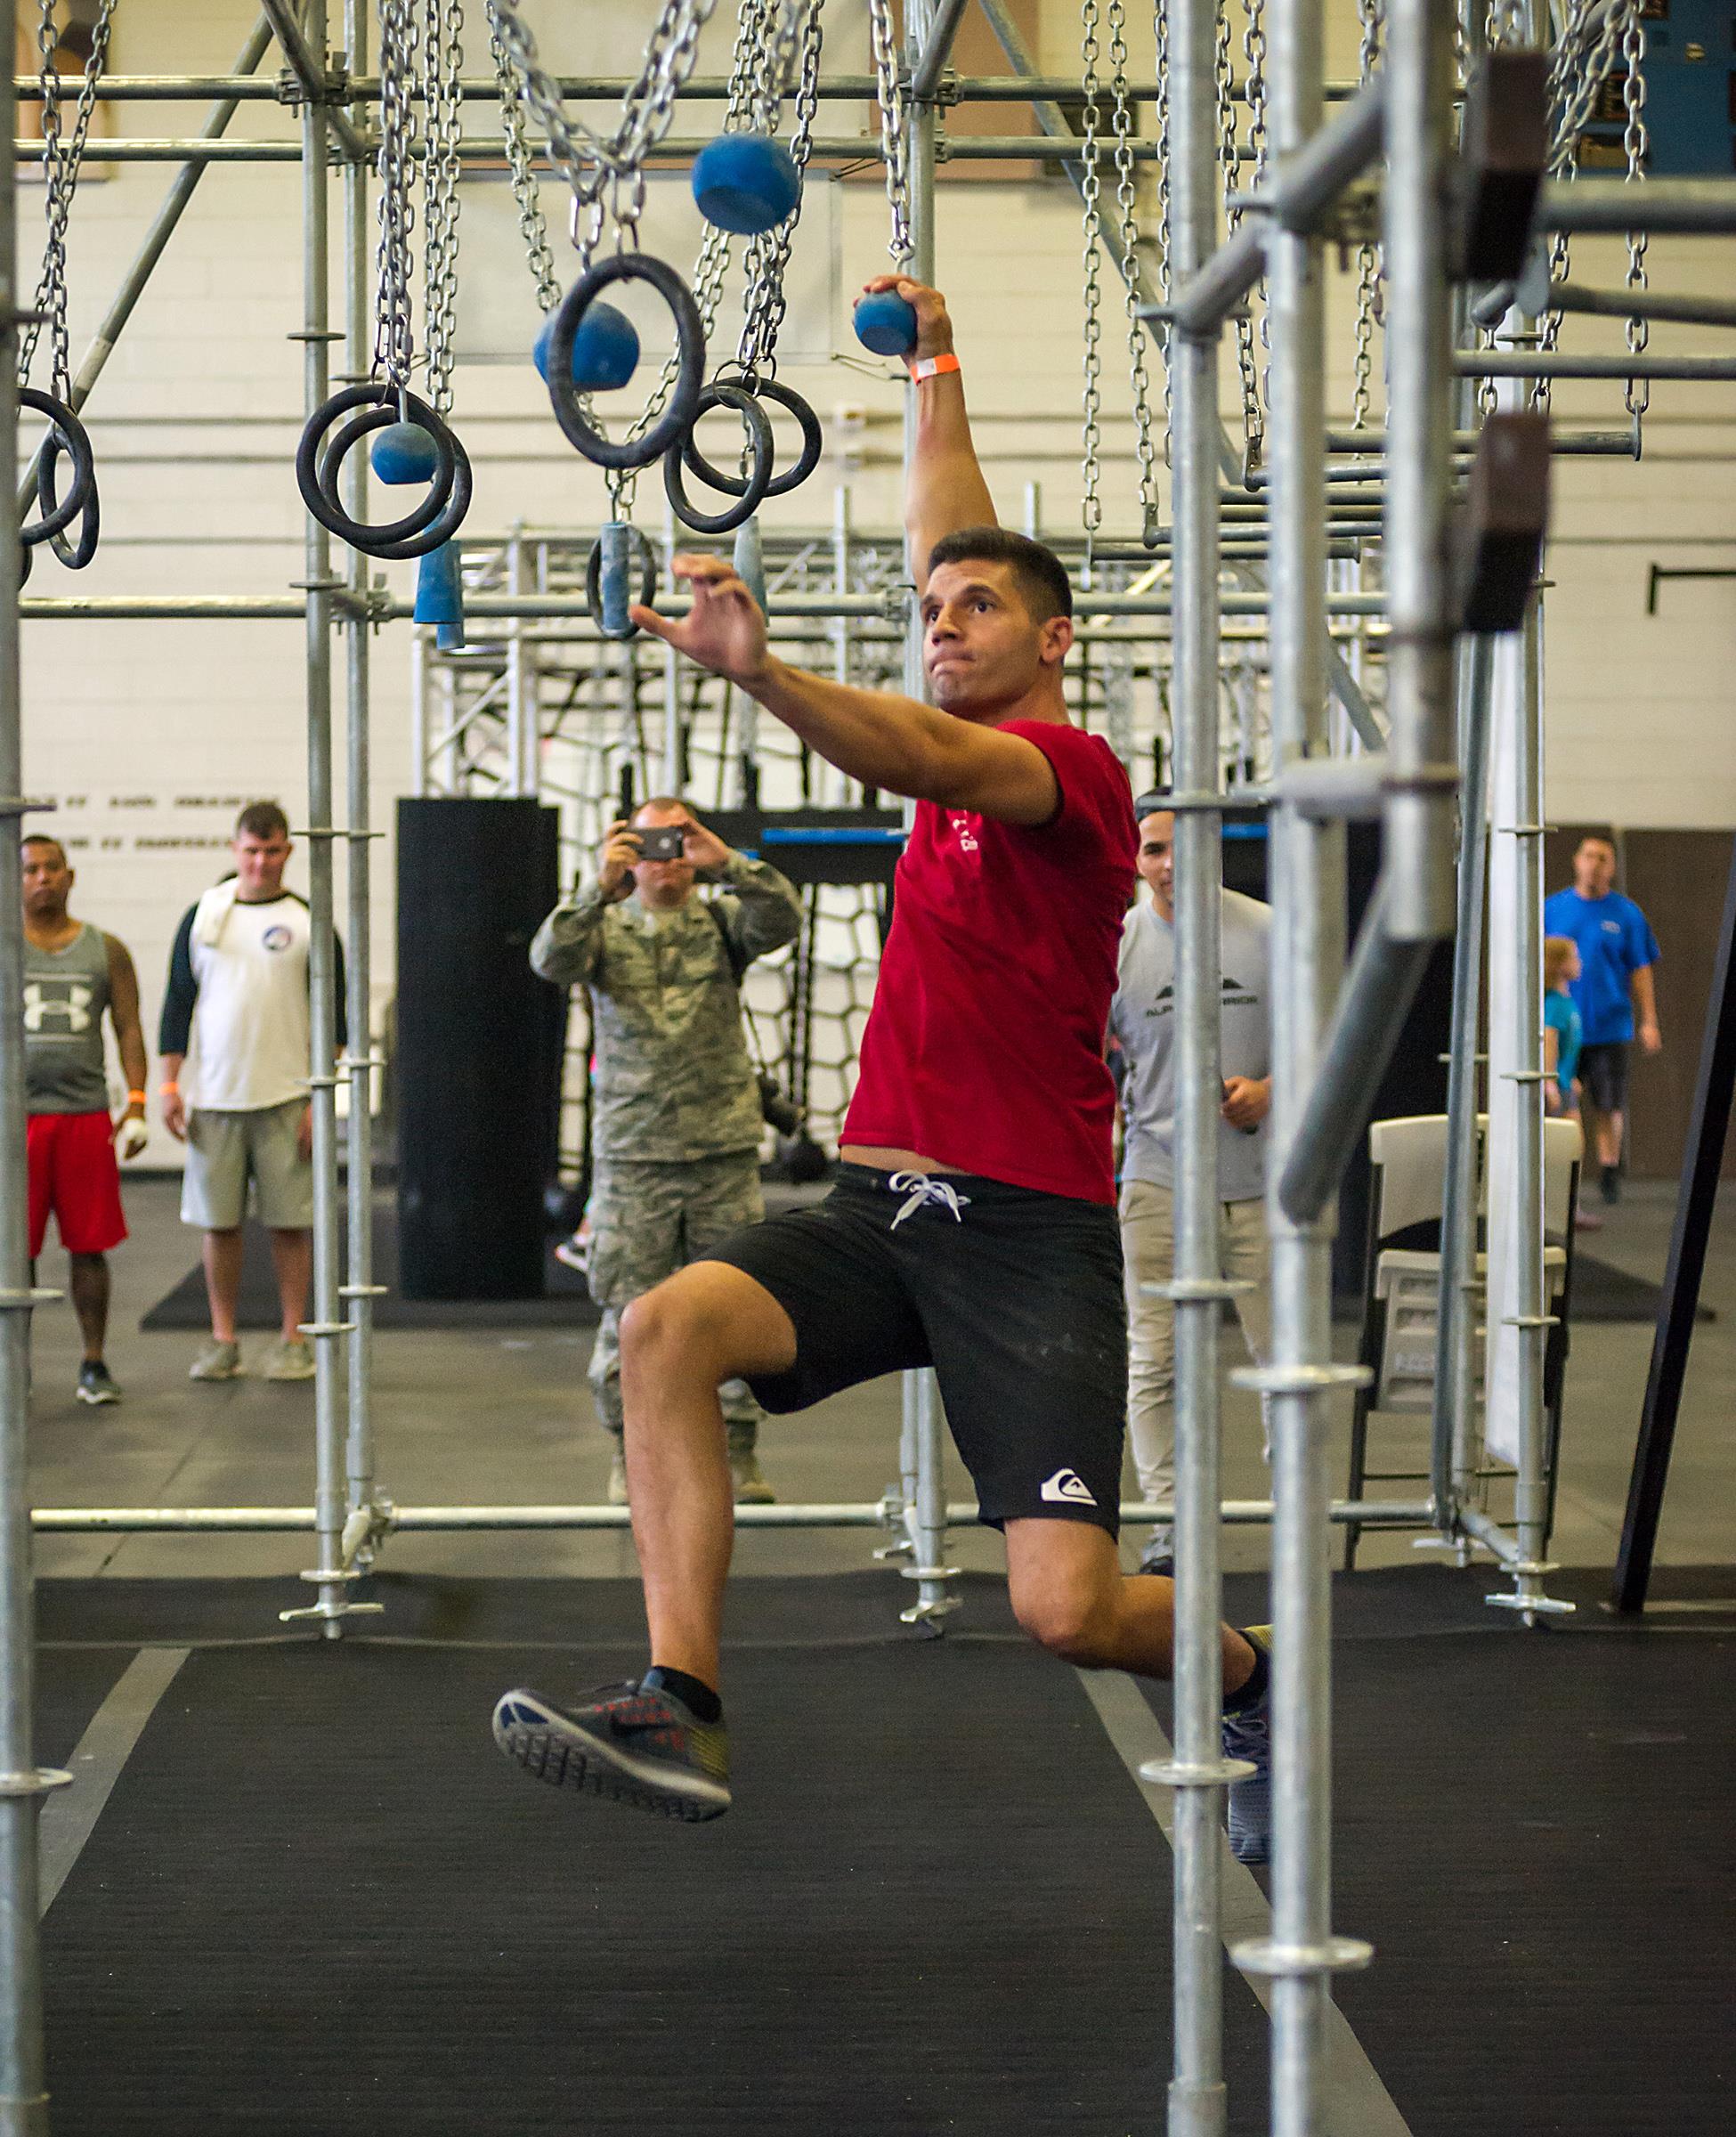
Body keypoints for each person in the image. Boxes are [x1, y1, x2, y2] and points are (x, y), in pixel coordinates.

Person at [492, 272, 1274, 1865]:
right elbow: (951, 535)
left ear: (1056, 642)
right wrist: (936, 361)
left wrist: (763, 676)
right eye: (930, 615)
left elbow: (923, 746)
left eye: (976, 614)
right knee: (661, 1330)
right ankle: (681, 1702)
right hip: (880, 1211)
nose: (941, 624)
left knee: (1065, 1611)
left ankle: (1255, 1679)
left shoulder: (1068, 775)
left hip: (1032, 1236)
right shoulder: (963, 718)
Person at [529, 798, 803, 1506]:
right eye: (652, 842)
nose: (667, 856)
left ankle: (739, 1456)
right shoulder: (602, 930)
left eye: (677, 841)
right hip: (635, 1157)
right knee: (628, 1315)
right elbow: (549, 960)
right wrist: (598, 886)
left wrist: (729, 861)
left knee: (738, 1311)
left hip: (721, 1153)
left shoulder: (719, 923)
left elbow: (782, 919)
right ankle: (632, 1455)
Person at [1110, 799, 1273, 1576]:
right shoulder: (1116, 946)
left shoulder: (1271, 932)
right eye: (1153, 851)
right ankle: (1173, 1530)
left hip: (1265, 1187)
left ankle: (1298, 1518)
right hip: (1157, 1182)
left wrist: (1274, 1090)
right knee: (1156, 1362)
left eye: (1184, 847)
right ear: (1136, 860)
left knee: (1284, 1361)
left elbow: (1332, 1044)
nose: (1169, 865)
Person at [158, 800, 344, 1383]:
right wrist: (167, 1086)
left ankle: (294, 1339)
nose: (261, 861)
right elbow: (176, 1006)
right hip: (215, 1098)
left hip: (288, 1098)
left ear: (288, 851)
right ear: (235, 850)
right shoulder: (203, 916)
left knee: (290, 1224)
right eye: (251, 850)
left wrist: (321, 1099)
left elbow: (332, 1023)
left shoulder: (311, 922)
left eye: (272, 851)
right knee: (221, 1224)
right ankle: (222, 1339)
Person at [20, 835, 150, 1406]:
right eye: (30, 870)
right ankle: (10, 1368)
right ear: (15, 880)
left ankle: (94, 1363)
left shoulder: (107, 949)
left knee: (88, 1247)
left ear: (70, 878)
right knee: (10, 1254)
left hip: (83, 1117)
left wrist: (140, 1101)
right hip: (14, 1122)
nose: (42, 878)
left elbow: (128, 1027)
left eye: (52, 869)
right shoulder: (2, 945)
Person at [1543, 833, 1660, 1206]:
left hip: (1610, 1025)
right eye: (1589, 856)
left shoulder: (1627, 915)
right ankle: (1563, 1176)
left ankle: (1609, 1172)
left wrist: (1649, 1021)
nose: (1595, 863)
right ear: (1577, 861)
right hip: (1563, 1028)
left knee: (1608, 1105)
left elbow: (1641, 970)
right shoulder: (1553, 909)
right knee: (1562, 1102)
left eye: (1603, 857)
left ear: (1612, 866)